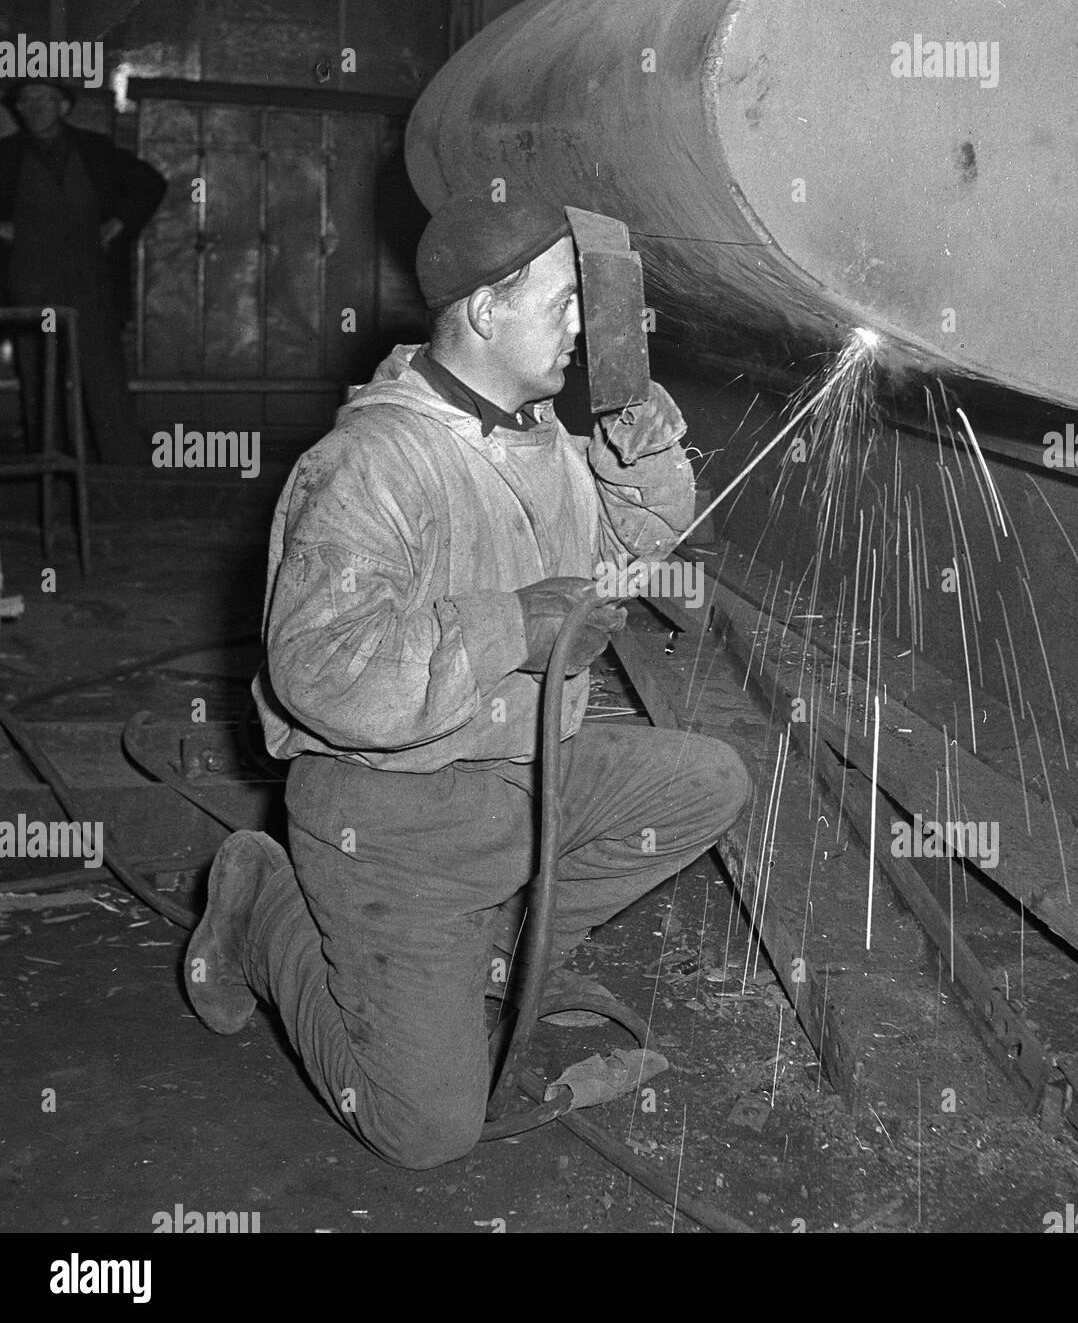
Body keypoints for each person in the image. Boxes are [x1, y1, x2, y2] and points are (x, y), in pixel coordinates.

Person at [186, 191, 752, 1170]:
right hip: (393, 819)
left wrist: (637, 462)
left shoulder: (542, 443)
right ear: (486, 310)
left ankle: (497, 944)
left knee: (707, 781)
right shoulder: (371, 462)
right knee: (427, 1133)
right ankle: (259, 907)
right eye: (564, 302)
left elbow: (621, 555)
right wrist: (512, 626)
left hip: (520, 772)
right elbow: (323, 671)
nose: (583, 327)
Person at [0, 78, 165, 463]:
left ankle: (125, 473)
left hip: (90, 282)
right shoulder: (5, 156)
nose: (36, 106)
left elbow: (151, 182)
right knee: (39, 373)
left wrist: (121, 222)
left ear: (64, 106)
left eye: (46, 98)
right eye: (27, 100)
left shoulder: (94, 150)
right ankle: (49, 469)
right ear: (18, 109)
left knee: (103, 373)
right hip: (31, 284)